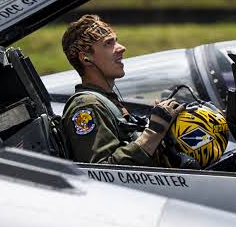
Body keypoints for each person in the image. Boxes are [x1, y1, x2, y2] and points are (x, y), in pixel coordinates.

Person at [59, 14, 175, 166]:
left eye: (116, 41)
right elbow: (102, 172)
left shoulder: (107, 101)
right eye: (108, 43)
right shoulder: (87, 106)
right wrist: (153, 132)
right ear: (85, 58)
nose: (121, 48)